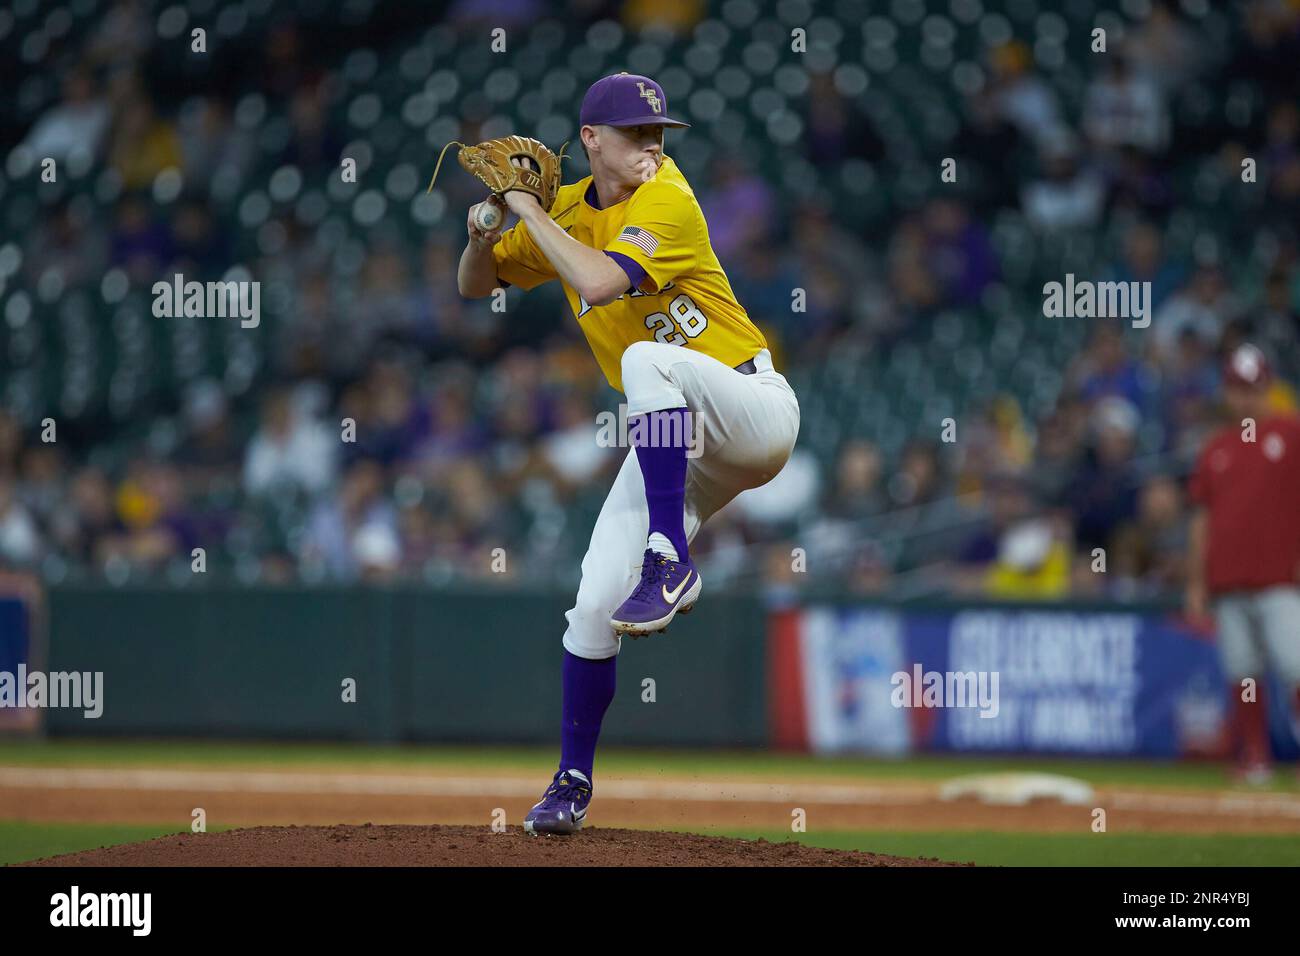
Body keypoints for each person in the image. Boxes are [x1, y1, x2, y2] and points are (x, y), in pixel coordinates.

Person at [455, 73, 800, 834]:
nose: (652, 145)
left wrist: (520, 207)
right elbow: (474, 286)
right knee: (591, 607)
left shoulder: (668, 199)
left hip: (750, 412)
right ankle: (571, 782)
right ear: (591, 141)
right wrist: (484, 234)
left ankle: (670, 559)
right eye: (636, 133)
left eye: (658, 133)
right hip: (673, 438)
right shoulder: (570, 209)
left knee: (646, 359)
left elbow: (599, 280)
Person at [1187, 345, 1300, 784]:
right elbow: (1202, 519)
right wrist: (1196, 582)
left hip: (1279, 579)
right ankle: (1255, 758)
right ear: (1226, 392)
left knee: (1295, 666)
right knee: (1243, 672)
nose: (1245, 399)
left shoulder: (1290, 435)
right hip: (1229, 582)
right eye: (1237, 389)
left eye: (1252, 389)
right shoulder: (1216, 448)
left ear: (1268, 389)